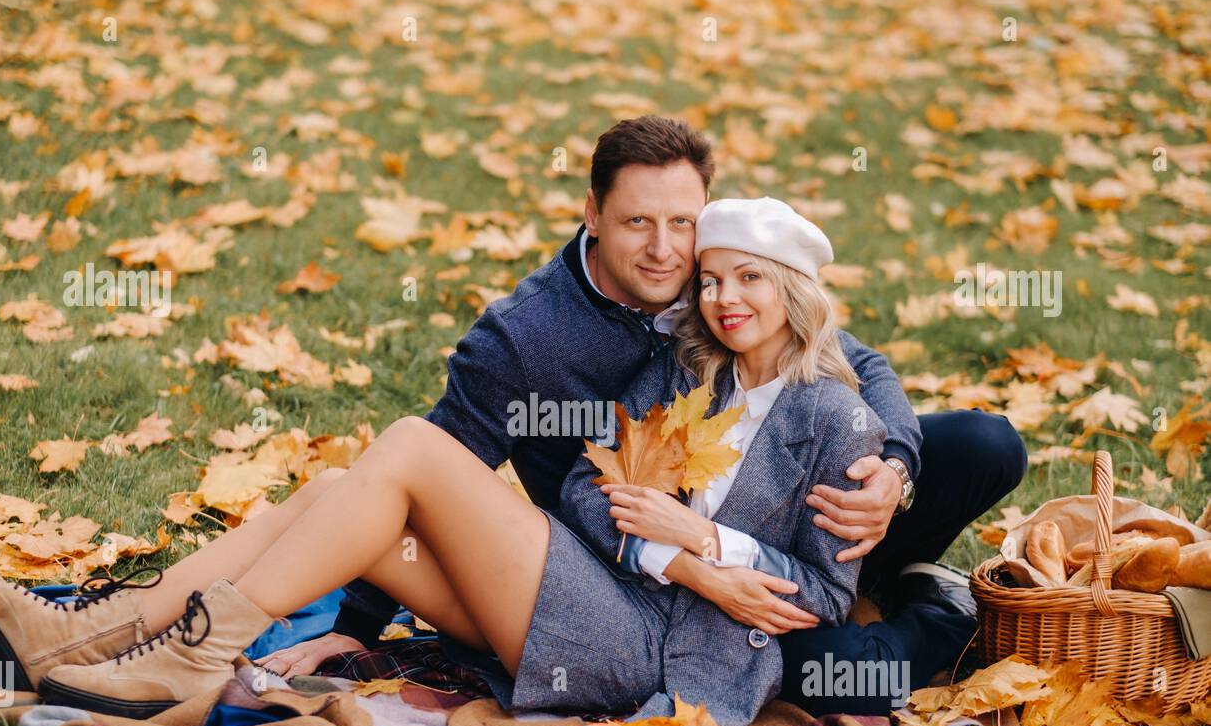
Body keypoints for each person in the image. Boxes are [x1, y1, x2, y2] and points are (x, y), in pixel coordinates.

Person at [0, 197, 980, 726]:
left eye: (748, 279)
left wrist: (699, 542)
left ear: (792, 291)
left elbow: (811, 595)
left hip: (666, 658)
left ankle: (192, 653)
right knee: (332, 493)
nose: (722, 299)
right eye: (711, 280)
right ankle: (92, 638)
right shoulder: (683, 370)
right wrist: (660, 546)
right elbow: (583, 484)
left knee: (405, 449)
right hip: (605, 593)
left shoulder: (839, 424)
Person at [279, 115, 1023, 679]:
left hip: (792, 513)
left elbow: (859, 362)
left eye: (683, 229)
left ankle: (883, 572)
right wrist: (362, 623)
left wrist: (895, 469)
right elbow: (439, 460)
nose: (666, 251)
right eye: (638, 223)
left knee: (984, 445)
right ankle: (939, 622)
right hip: (643, 565)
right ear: (594, 215)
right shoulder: (536, 336)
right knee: (832, 675)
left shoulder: (720, 287)